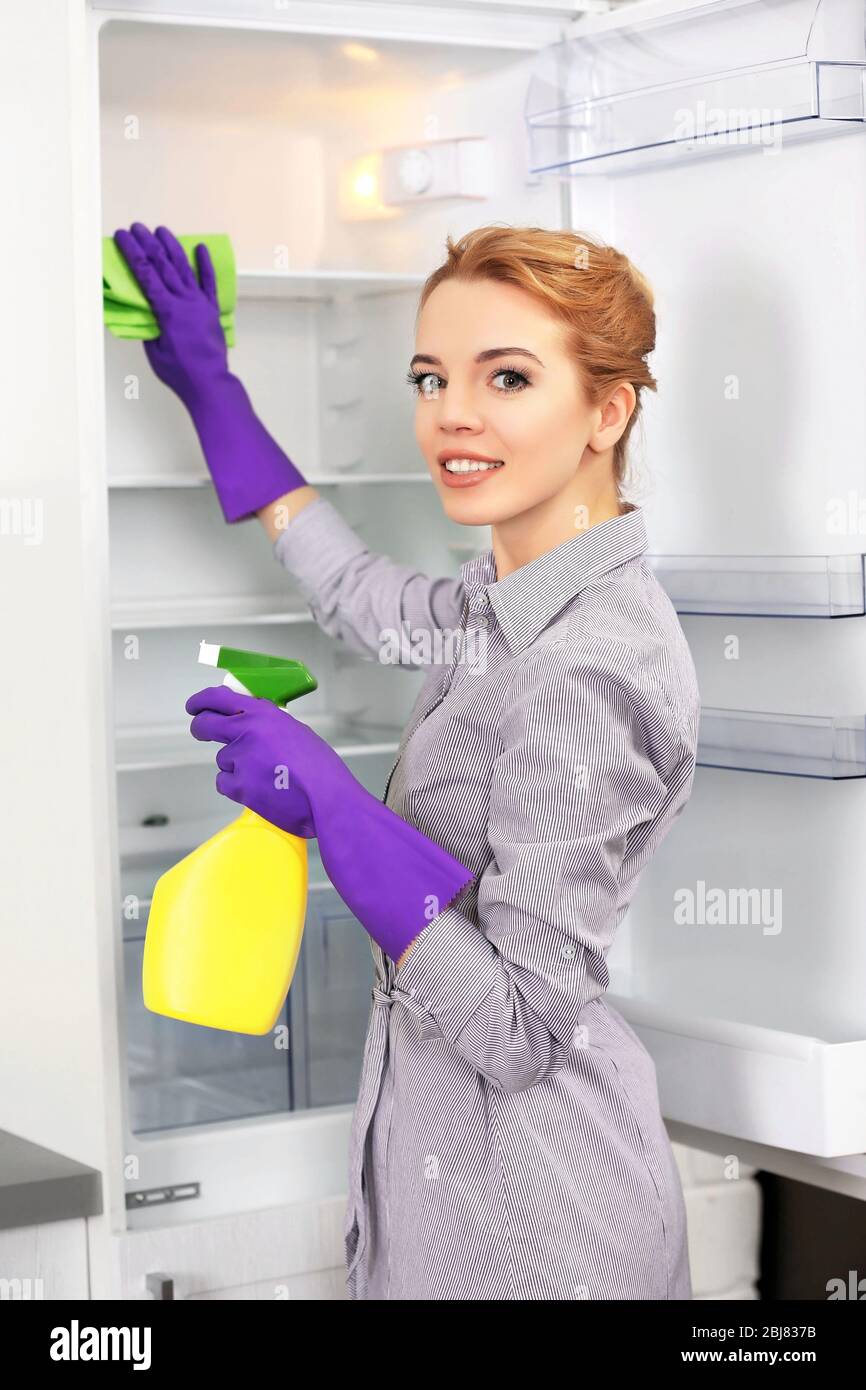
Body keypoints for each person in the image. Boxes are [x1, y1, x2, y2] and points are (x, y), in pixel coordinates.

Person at [114, 220, 701, 1301]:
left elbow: (518, 1028)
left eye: (507, 377)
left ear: (605, 412)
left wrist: (336, 806)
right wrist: (212, 392)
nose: (451, 416)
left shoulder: (588, 664)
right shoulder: (507, 609)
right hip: (455, 1201)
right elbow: (357, 592)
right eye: (430, 377)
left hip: (538, 1227)